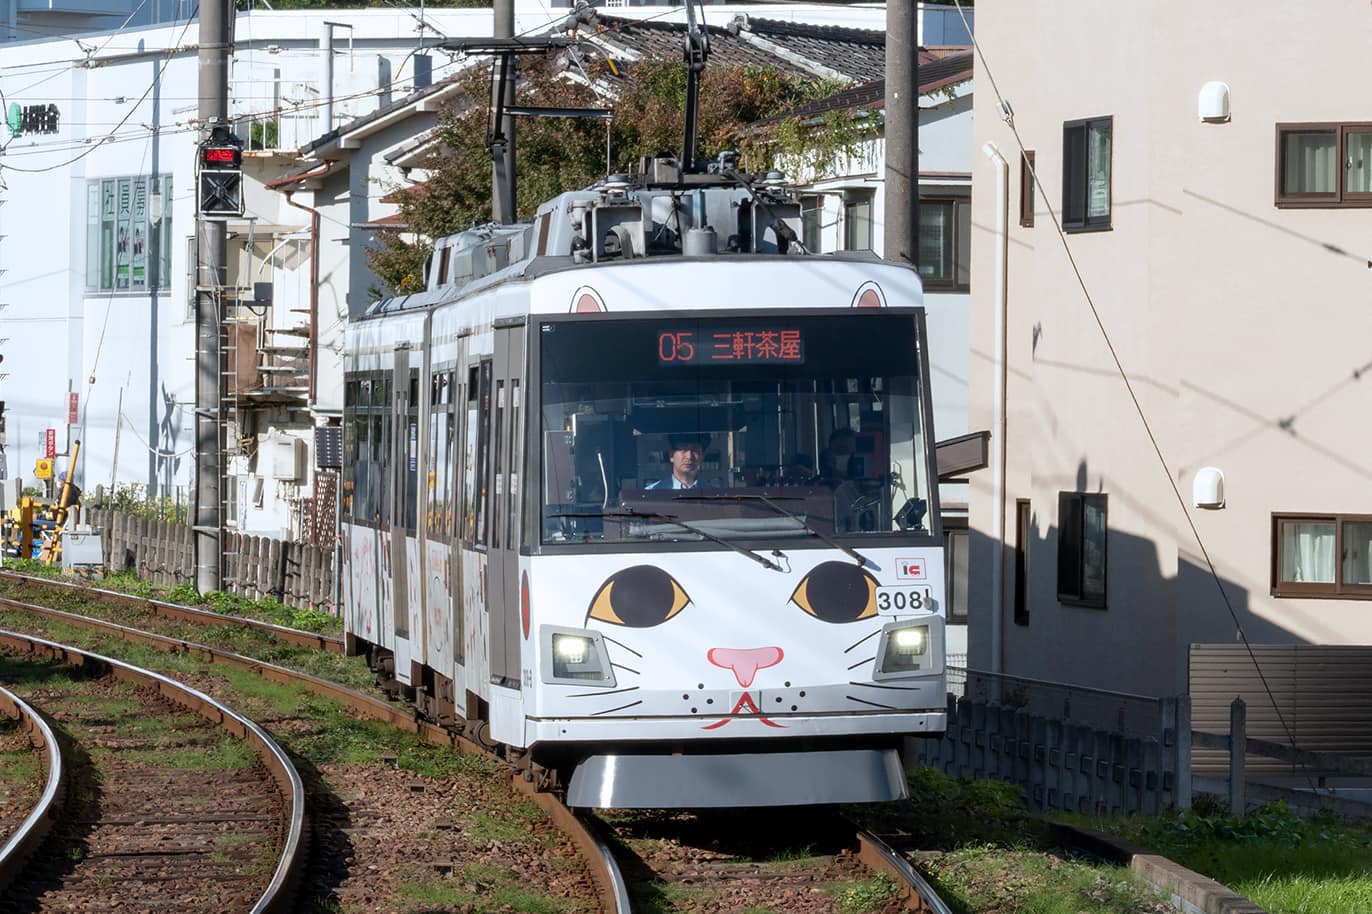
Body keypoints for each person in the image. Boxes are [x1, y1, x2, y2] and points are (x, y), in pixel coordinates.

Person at [646, 435, 711, 490]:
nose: (689, 456)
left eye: (695, 450)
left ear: (702, 457)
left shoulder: (713, 492)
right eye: (683, 449)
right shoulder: (652, 492)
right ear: (671, 455)